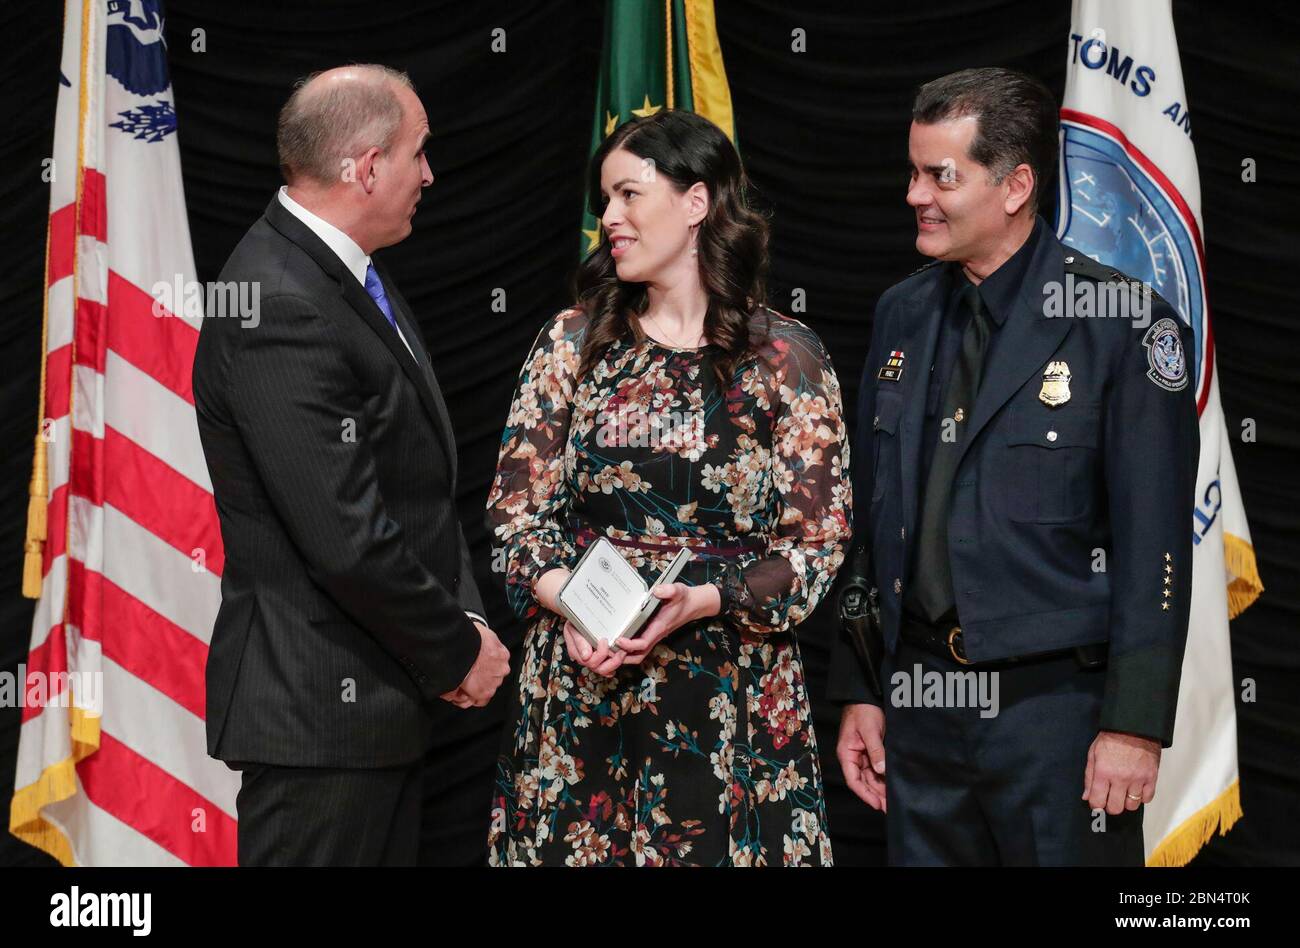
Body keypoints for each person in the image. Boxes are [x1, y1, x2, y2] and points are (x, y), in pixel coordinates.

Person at [829, 67, 1198, 865]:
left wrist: (1133, 723)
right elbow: (875, 519)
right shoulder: (902, 312)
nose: (914, 194)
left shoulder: (1122, 324)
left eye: (941, 176)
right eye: (913, 171)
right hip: (921, 708)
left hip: (1056, 717)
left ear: (1015, 185)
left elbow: (1156, 542)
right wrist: (860, 685)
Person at [485, 110, 851, 866]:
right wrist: (573, 604)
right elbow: (516, 520)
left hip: (734, 698)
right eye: (604, 202)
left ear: (696, 202)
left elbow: (815, 546)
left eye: (628, 194)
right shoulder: (571, 342)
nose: (609, 219)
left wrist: (705, 598)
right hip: (582, 689)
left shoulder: (788, 357)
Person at [193, 65, 509, 866]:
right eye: (418, 152)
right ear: (366, 168)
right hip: (318, 724)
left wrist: (464, 619)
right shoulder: (280, 299)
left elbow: (420, 491)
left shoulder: (342, 271)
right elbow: (345, 535)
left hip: (370, 711)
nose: (430, 174)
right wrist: (458, 651)